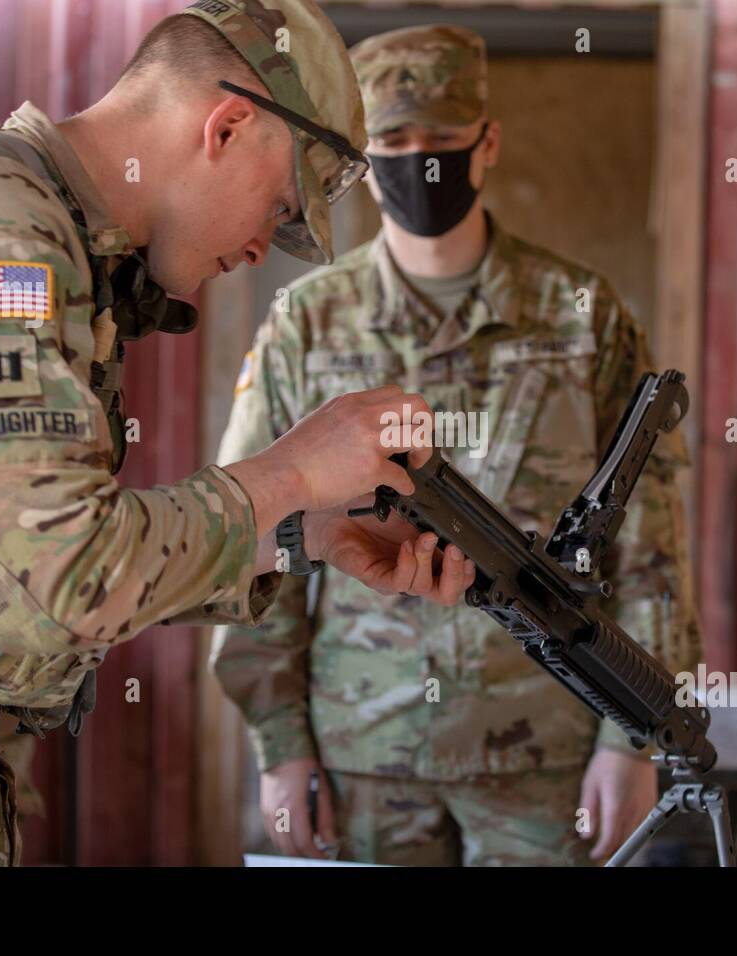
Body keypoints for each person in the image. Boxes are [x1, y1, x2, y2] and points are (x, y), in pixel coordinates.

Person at [0, 0, 473, 867]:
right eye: (280, 206)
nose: (266, 248)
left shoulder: (43, 233)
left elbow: (35, 557)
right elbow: (60, 584)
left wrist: (304, 535)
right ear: (227, 126)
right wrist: (290, 473)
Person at [212, 24, 702, 866]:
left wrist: (633, 745)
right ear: (364, 156)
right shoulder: (307, 323)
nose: (420, 162)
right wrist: (280, 743)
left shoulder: (580, 313)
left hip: (543, 754)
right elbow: (267, 532)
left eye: (441, 139)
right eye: (395, 143)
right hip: (363, 748)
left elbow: (649, 541)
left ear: (488, 143)